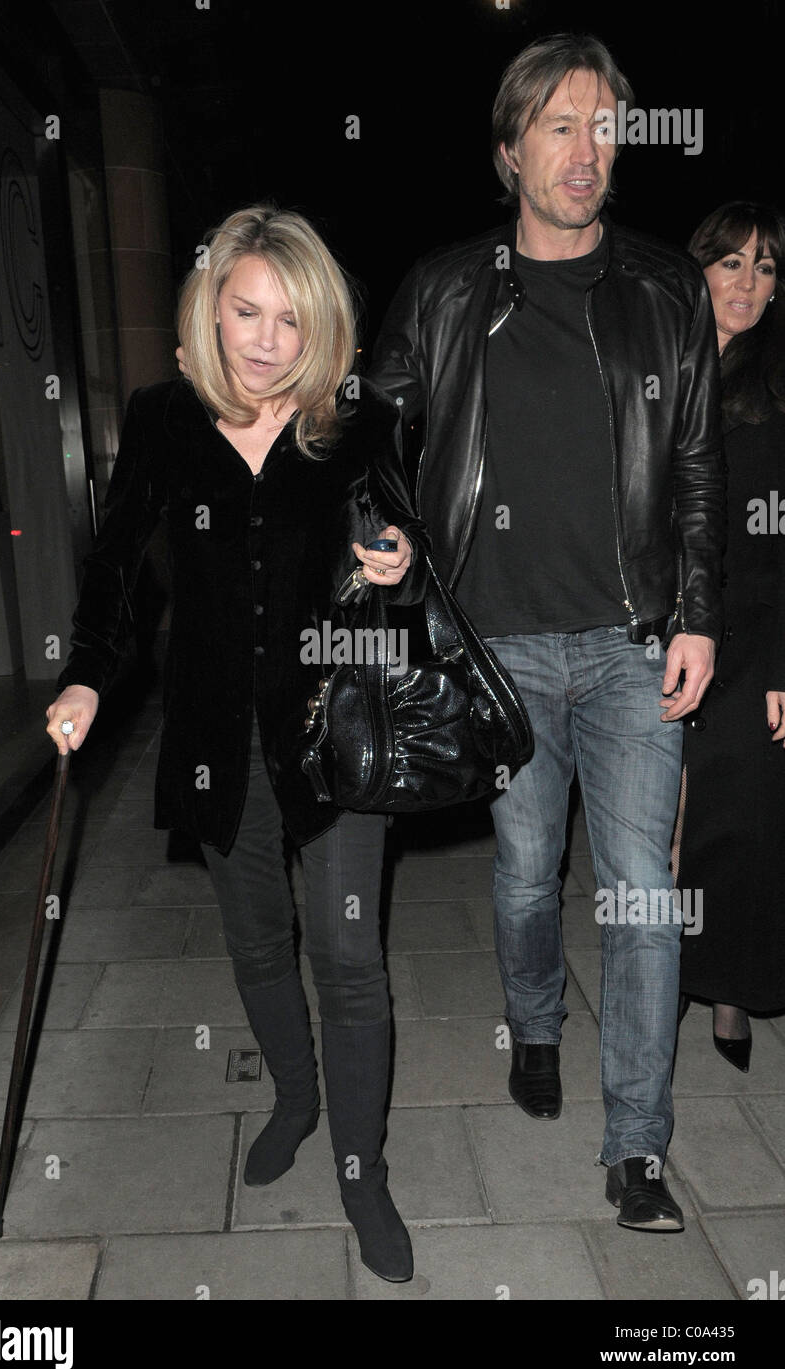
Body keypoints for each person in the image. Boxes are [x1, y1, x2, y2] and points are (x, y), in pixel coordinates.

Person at [369, 33, 725, 1231]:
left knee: (636, 892)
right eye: (560, 125)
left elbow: (693, 466)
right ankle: (531, 1023)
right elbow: (375, 437)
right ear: (510, 147)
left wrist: (700, 619)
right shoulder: (445, 288)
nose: (586, 150)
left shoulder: (663, 290)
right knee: (525, 873)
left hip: (632, 647)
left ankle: (634, 1148)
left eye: (605, 124)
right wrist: (387, 537)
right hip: (500, 649)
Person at [46, 205, 429, 1283]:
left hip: (333, 733)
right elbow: (117, 567)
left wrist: (393, 558)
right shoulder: (163, 419)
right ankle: (296, 1098)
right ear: (209, 310)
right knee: (259, 945)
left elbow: (400, 536)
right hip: (217, 736)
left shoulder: (351, 422)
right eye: (245, 310)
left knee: (348, 958)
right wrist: (84, 672)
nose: (266, 340)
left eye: (290, 321)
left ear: (322, 333)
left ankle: (361, 1170)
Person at [675, 202, 785, 1068]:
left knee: (737, 824)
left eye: (765, 267)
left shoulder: (776, 384)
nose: (747, 283)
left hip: (751, 636)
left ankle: (729, 992)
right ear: (699, 268)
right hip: (654, 626)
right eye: (731, 263)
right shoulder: (659, 368)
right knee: (658, 824)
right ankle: (662, 978)